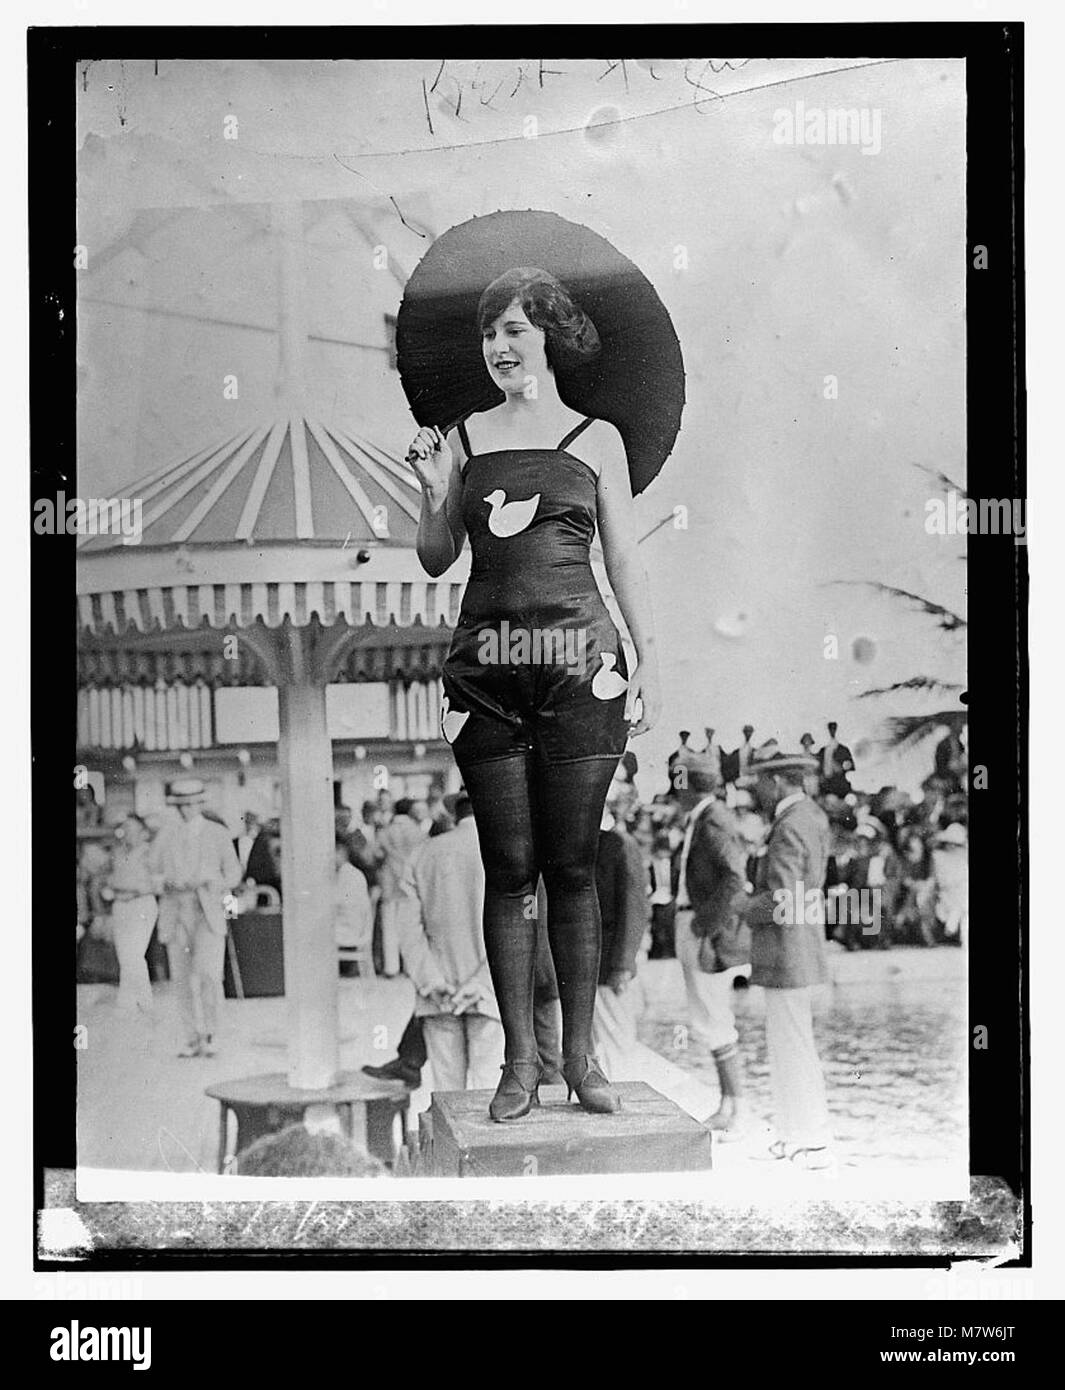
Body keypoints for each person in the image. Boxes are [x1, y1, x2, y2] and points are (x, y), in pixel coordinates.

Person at [407, 266, 661, 1121]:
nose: (500, 348)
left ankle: (582, 1061)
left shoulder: (597, 438)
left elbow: (622, 557)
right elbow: (438, 555)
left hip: (579, 666)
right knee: (507, 867)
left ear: (550, 334)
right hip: (485, 667)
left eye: (515, 329)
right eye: (489, 334)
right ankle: (519, 1066)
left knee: (573, 867)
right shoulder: (464, 437)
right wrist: (433, 490)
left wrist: (648, 658)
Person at [738, 750, 835, 1170]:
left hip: (786, 948)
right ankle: (793, 1132)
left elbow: (781, 898)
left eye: (759, 781)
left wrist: (742, 906)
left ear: (777, 782)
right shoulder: (811, 816)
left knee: (792, 1044)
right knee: (790, 1042)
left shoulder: (790, 823)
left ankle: (811, 1139)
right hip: (800, 945)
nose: (756, 789)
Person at [395, 793, 504, 1092]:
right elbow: (521, 923)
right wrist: (483, 982)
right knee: (489, 1090)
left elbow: (408, 929)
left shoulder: (422, 854)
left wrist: (431, 980)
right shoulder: (506, 850)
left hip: (437, 993)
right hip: (492, 990)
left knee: (447, 1092)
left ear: (455, 815)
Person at [673, 768, 752, 1135]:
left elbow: (735, 877)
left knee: (713, 1016)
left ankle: (733, 1106)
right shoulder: (704, 817)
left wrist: (704, 924)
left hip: (704, 928)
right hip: (695, 922)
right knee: (709, 1016)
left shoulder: (713, 820)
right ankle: (729, 1103)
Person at [151, 777, 242, 1058]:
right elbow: (152, 872)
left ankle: (212, 1034)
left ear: (201, 803)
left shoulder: (217, 833)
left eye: (192, 803)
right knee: (180, 978)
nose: (187, 809)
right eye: (182, 804)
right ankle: (191, 1038)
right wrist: (166, 883)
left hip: (207, 913)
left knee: (209, 975)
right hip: (175, 912)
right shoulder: (165, 835)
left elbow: (234, 873)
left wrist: (213, 882)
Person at [589, 803, 650, 1080]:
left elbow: (634, 908)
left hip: (609, 964)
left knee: (617, 1042)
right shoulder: (598, 844)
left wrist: (623, 964)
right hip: (592, 965)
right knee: (598, 1045)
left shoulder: (619, 845)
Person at [104, 814, 160, 1017]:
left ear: (143, 832)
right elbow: (110, 880)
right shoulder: (118, 852)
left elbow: (155, 883)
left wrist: (129, 887)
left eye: (132, 828)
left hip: (142, 905)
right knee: (125, 954)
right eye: (125, 828)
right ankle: (134, 1001)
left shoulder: (150, 852)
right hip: (121, 905)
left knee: (134, 954)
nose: (127, 832)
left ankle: (139, 1001)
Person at [375, 798, 423, 977]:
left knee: (389, 927)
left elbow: (377, 854)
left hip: (389, 882)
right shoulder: (417, 832)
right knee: (410, 926)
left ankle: (391, 967)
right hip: (410, 884)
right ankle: (410, 967)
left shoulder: (385, 832)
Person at [333, 837, 373, 967]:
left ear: (341, 852)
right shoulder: (351, 873)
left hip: (349, 928)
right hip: (352, 925)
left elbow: (342, 903)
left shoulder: (348, 875)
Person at [818, 721, 855, 798]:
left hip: (839, 785)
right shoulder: (822, 751)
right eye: (830, 729)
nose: (832, 731)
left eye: (834, 729)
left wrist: (840, 767)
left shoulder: (843, 750)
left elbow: (850, 766)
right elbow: (818, 768)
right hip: (825, 786)